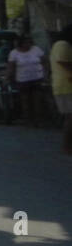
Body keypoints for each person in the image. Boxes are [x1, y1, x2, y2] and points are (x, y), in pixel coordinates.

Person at [7, 35, 51, 126]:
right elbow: (11, 66)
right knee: (25, 100)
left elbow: (45, 61)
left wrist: (46, 73)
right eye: (25, 42)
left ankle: (39, 119)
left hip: (37, 77)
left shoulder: (36, 49)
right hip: (23, 79)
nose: (28, 44)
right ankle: (28, 119)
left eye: (29, 42)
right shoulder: (14, 53)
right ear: (21, 43)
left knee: (37, 100)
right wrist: (10, 76)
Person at [51, 25, 72, 155]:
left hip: (67, 85)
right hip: (65, 86)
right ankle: (67, 145)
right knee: (70, 117)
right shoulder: (62, 44)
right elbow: (63, 62)